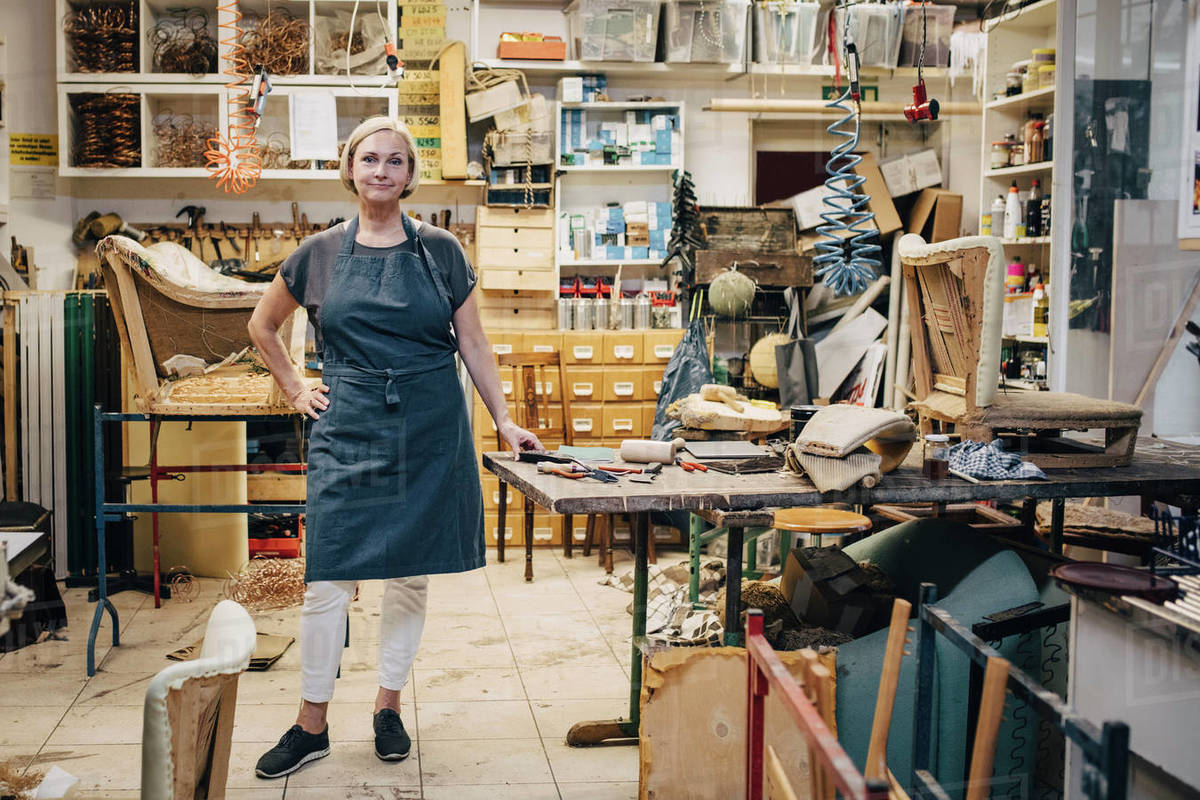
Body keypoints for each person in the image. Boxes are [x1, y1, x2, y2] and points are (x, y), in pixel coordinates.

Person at [246, 116, 542, 778]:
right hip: (347, 426)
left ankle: (388, 706)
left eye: (395, 161)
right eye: (369, 158)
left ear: (410, 175)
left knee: (410, 573)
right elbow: (263, 325)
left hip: (430, 425)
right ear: (350, 168)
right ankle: (311, 723)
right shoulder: (319, 253)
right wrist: (294, 387)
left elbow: (473, 342)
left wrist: (503, 419)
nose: (381, 170)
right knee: (327, 577)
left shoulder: (441, 251)